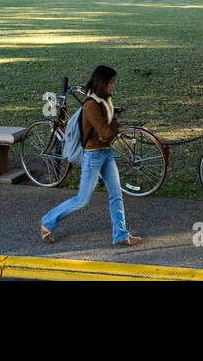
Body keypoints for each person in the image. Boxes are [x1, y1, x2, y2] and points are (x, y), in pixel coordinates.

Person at [40, 65, 140, 247]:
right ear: (102, 83)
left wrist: (114, 128)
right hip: (93, 155)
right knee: (82, 199)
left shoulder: (105, 102)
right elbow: (104, 132)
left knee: (116, 194)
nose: (113, 86)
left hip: (106, 153)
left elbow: (111, 126)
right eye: (110, 82)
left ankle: (121, 234)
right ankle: (48, 221)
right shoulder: (91, 105)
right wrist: (116, 128)